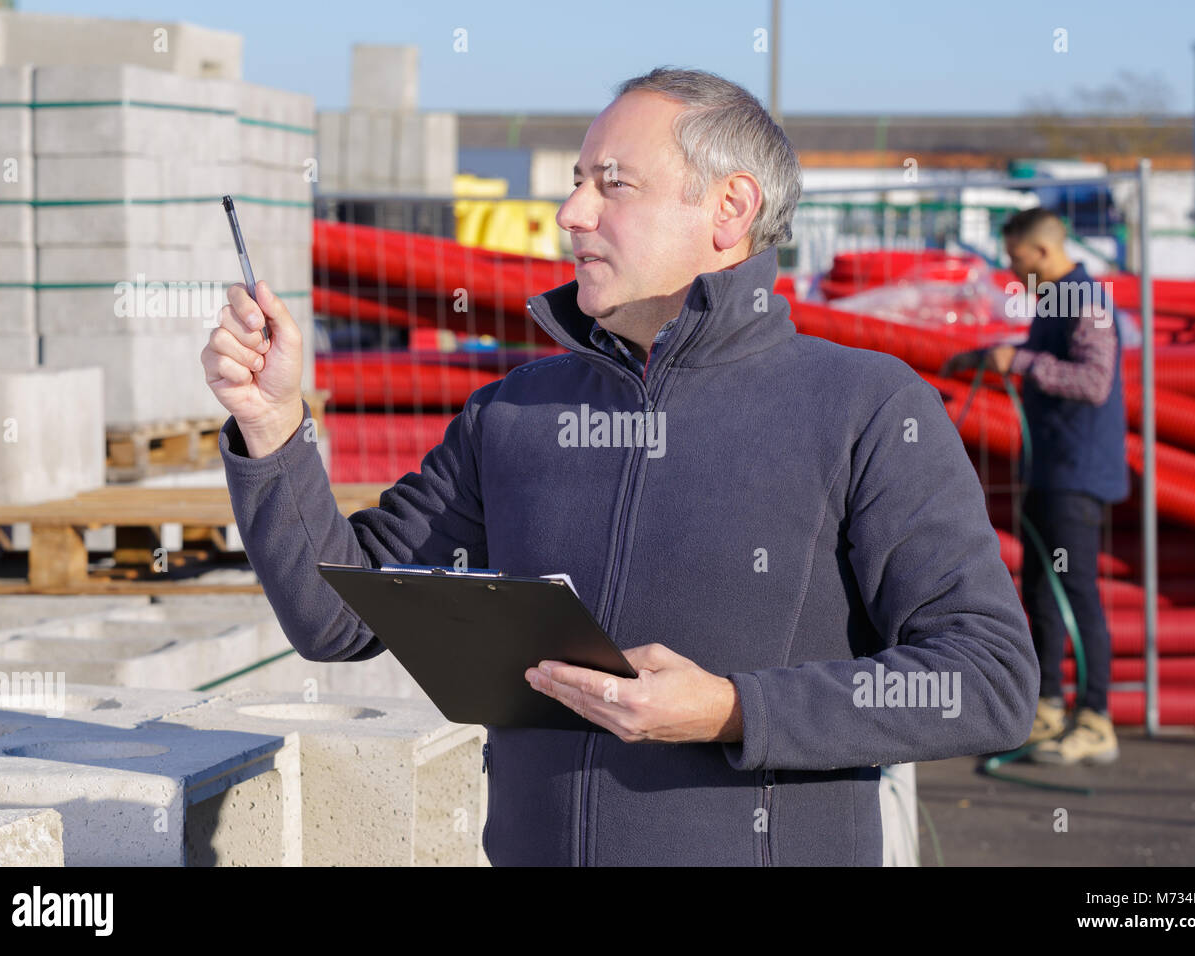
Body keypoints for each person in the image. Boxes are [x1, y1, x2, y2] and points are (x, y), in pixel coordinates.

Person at [203, 67, 1038, 865]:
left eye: (613, 183)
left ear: (728, 207)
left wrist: (736, 710)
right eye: (576, 180)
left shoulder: (864, 407)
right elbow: (337, 614)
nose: (570, 211)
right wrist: (273, 429)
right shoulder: (514, 416)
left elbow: (988, 678)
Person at [942, 207, 1128, 766]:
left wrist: (1018, 359)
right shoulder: (1056, 298)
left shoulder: (1085, 299)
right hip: (1048, 472)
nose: (1010, 267)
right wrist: (990, 357)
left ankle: (1095, 718)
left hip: (1076, 474)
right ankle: (1048, 705)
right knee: (1041, 592)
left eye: (1016, 257)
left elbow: (1095, 381)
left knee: (1076, 594)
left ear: (1042, 252)